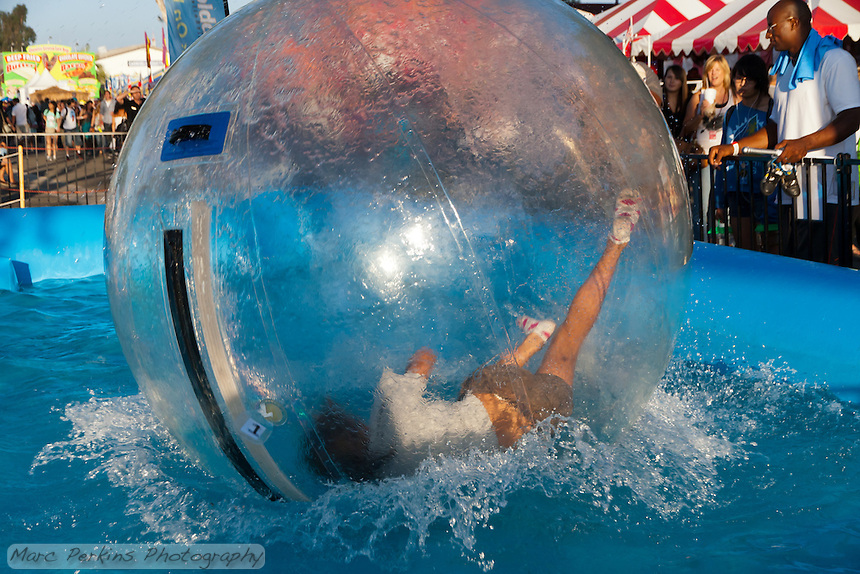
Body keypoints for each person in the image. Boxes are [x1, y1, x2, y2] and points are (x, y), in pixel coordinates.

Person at [308, 191, 642, 481]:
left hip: (510, 424)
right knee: (471, 399)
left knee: (566, 347)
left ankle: (616, 246)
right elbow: (425, 357)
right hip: (484, 387)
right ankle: (530, 344)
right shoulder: (388, 410)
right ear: (354, 427)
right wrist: (415, 364)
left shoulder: (391, 479)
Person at [709, 0, 860, 264]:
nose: (768, 34)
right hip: (793, 194)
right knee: (797, 271)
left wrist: (803, 145)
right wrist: (734, 148)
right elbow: (776, 128)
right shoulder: (785, 67)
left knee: (826, 274)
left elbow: (852, 117)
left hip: (829, 192)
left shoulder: (835, 60)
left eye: (772, 27)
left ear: (794, 22)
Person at [713, 54, 778, 252]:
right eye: (738, 77)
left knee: (773, 247)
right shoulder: (732, 113)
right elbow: (722, 157)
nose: (742, 83)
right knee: (744, 249)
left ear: (759, 79)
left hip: (768, 189)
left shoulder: (773, 108)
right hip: (737, 189)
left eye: (747, 78)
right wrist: (719, 200)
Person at [681, 55, 735, 237]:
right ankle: (702, 242)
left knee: (726, 208)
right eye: (711, 69)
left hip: (727, 157)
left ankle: (725, 245)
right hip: (704, 158)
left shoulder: (733, 95)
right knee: (703, 208)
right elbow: (685, 129)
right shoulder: (698, 96)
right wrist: (700, 114)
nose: (714, 73)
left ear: (725, 72)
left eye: (718, 69)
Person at [662, 64, 690, 140]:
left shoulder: (689, 100)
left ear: (682, 81)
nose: (672, 81)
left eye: (677, 78)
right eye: (669, 77)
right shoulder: (659, 99)